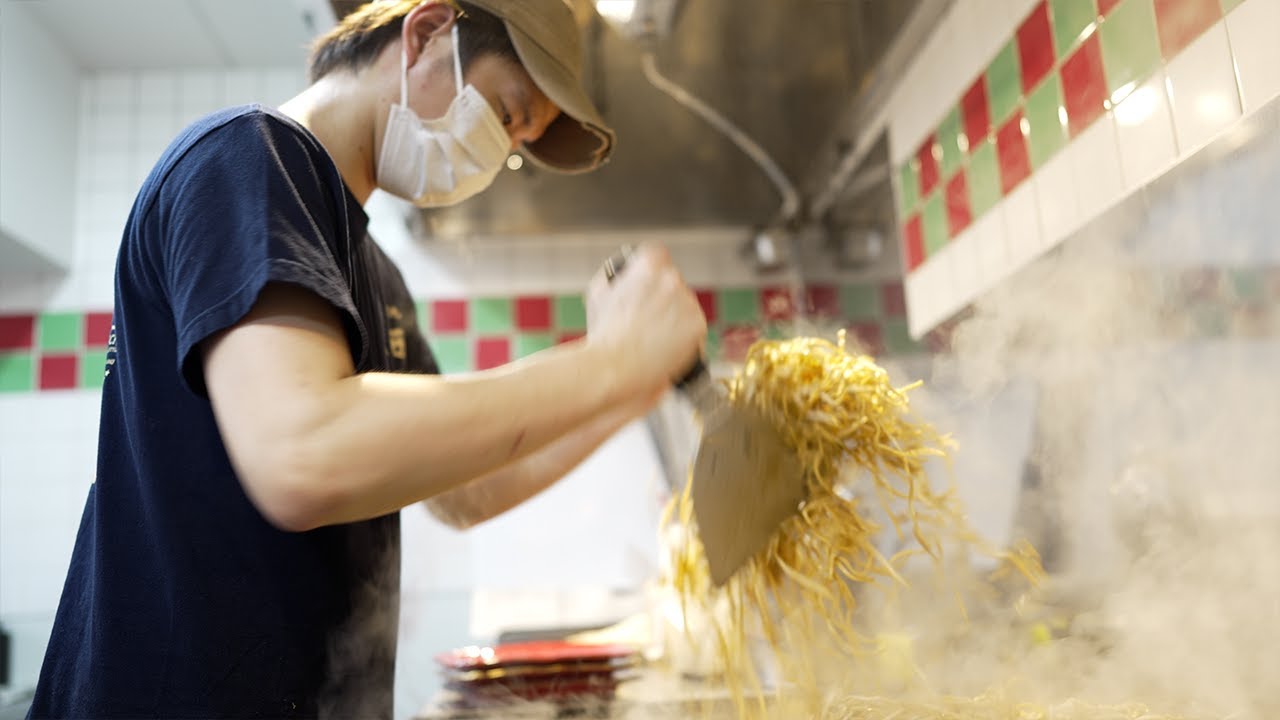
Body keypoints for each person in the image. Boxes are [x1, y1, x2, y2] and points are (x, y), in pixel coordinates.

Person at [28, 0, 706, 717]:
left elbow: (466, 490)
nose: (500, 156)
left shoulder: (375, 272)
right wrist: (609, 362)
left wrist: (633, 384)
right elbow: (305, 453)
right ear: (425, 33)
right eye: (507, 114)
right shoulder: (248, 156)